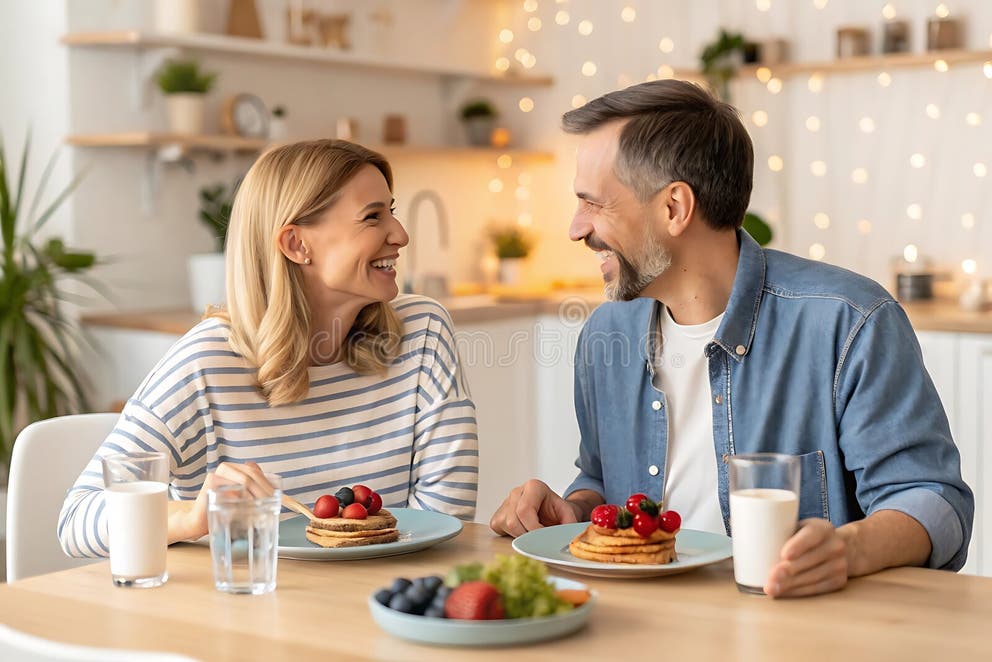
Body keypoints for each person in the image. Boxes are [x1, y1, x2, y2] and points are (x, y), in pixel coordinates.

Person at [490, 80, 973, 597]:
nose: (575, 228)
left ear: (674, 207)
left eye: (593, 203)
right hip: (641, 624)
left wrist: (848, 550)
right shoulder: (606, 335)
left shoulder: (848, 321)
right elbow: (603, 481)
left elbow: (933, 500)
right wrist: (574, 510)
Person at [60, 139, 479, 557]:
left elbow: (445, 524)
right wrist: (190, 517)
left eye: (392, 210)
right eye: (372, 217)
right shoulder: (205, 362)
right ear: (297, 244)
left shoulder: (423, 332)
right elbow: (77, 520)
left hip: (383, 611)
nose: (400, 234)